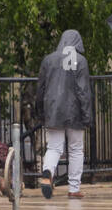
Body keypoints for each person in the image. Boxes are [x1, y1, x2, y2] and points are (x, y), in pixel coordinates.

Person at [34, 29, 92, 199]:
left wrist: (40, 111)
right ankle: (74, 189)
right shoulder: (80, 61)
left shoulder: (49, 60)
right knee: (75, 149)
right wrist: (87, 115)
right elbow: (83, 91)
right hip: (75, 112)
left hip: (53, 110)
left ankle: (47, 172)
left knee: (54, 147)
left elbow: (41, 88)